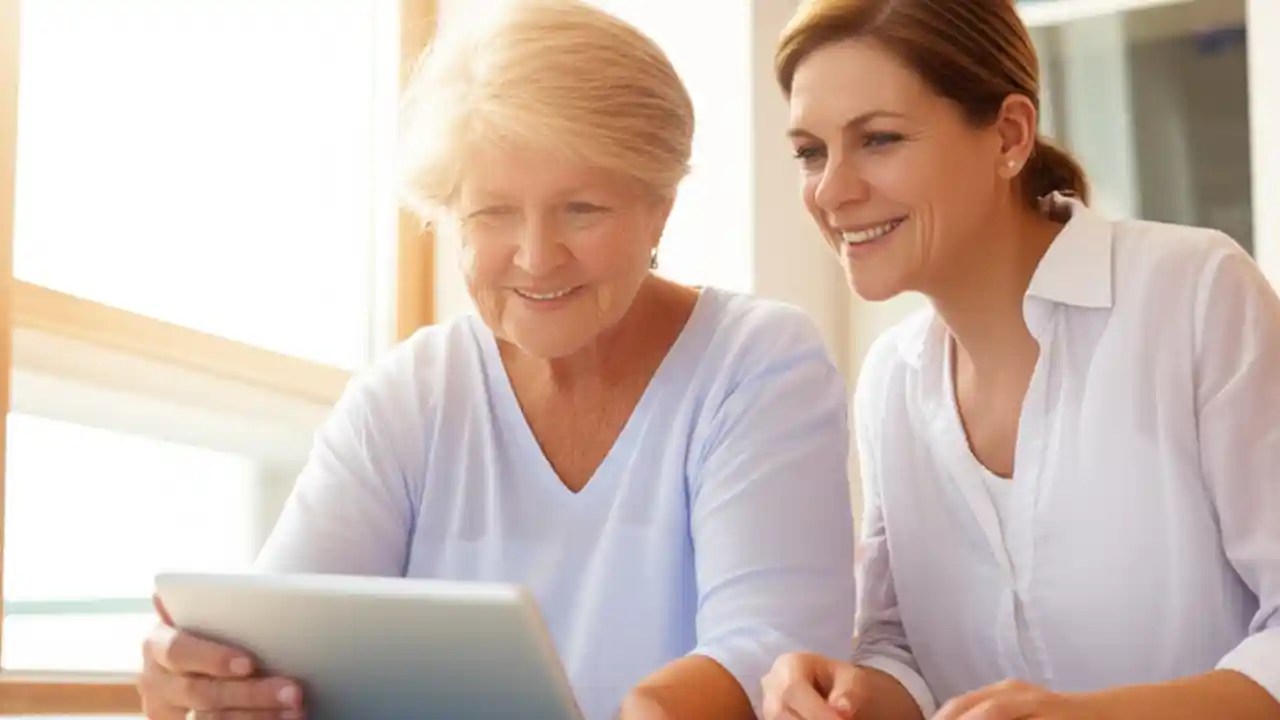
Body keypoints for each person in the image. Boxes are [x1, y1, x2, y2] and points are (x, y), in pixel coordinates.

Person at [135, 2, 856, 718]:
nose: (538, 257)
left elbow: (777, 655)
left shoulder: (755, 362)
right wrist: (214, 683)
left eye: (582, 209)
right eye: (494, 214)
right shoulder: (408, 395)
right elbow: (284, 642)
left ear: (658, 207)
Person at [760, 1, 1280, 719]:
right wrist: (841, 691)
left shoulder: (1192, 293)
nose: (831, 190)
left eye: (878, 140)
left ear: (1008, 135)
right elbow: (902, 652)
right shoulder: (891, 382)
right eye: (811, 152)